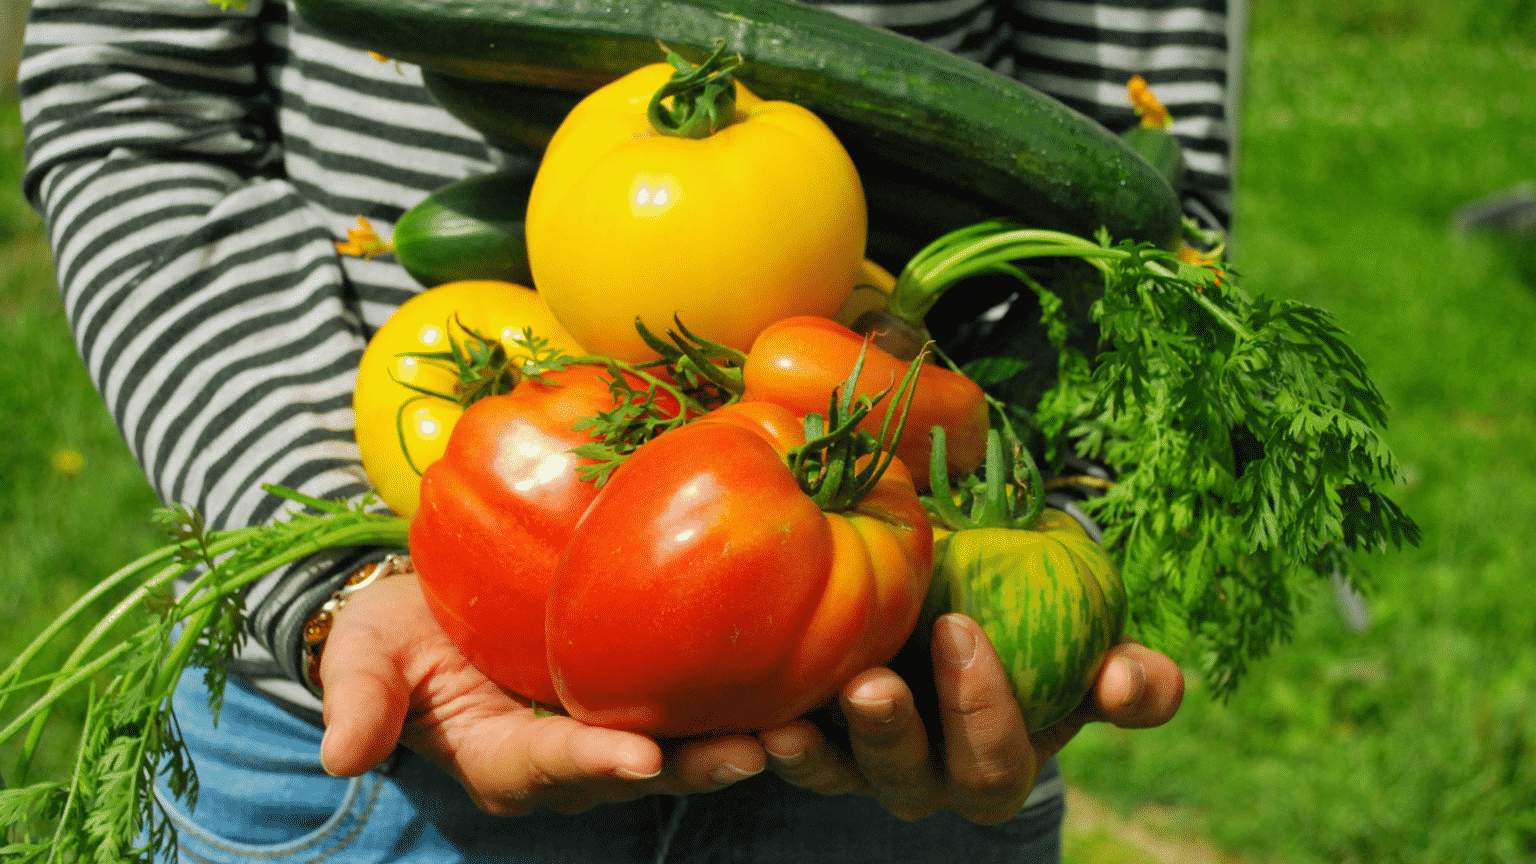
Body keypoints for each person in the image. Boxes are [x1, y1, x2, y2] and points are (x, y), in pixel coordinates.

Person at [19, 0, 1231, 859]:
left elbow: (1136, 212)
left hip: (902, 696)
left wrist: (1041, 539)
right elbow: (133, 110)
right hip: (361, 736)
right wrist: (330, 574)